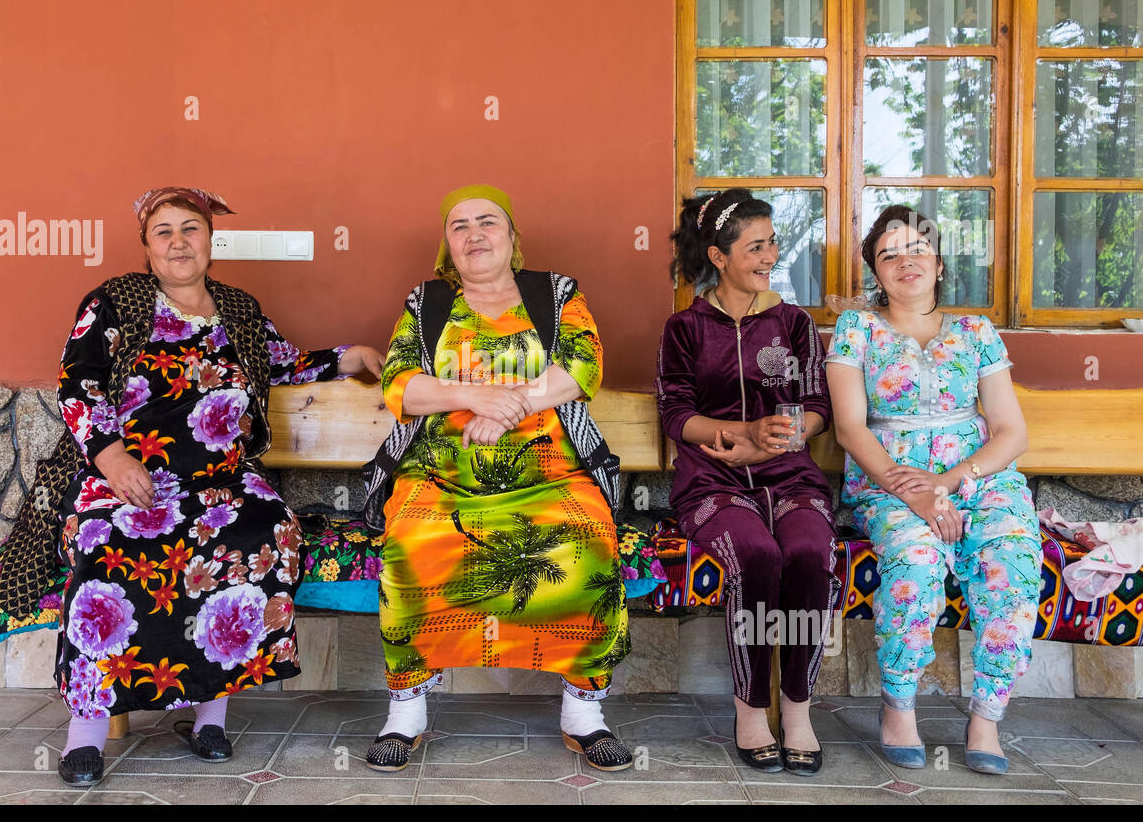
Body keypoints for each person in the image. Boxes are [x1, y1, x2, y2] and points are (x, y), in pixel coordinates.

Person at [40, 187, 381, 784]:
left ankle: (209, 720)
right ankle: (86, 730)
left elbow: (282, 363)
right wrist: (113, 458)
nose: (178, 241)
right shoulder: (115, 302)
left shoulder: (239, 309)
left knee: (263, 532)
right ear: (146, 246)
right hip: (133, 478)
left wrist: (350, 356)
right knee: (106, 551)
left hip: (223, 483)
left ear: (210, 240)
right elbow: (79, 383)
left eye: (190, 228)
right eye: (164, 231)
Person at [361, 183, 630, 772]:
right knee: (410, 544)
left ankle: (584, 712)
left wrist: (508, 407)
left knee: (588, 539)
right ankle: (406, 710)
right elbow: (401, 385)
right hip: (440, 477)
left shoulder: (555, 294)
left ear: (512, 235)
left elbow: (584, 366)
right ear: (447, 244)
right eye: (459, 226)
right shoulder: (427, 302)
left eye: (488, 222)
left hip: (551, 476)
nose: (475, 234)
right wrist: (475, 396)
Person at [825, 205, 1042, 775]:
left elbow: (1011, 431)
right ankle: (899, 707)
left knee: (1013, 562)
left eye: (916, 249)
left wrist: (948, 483)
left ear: (939, 262)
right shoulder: (857, 330)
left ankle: (986, 718)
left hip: (978, 482)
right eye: (889, 254)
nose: (905, 261)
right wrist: (917, 495)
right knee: (915, 561)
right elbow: (850, 427)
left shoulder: (975, 332)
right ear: (877, 271)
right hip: (891, 486)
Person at [657, 189, 839, 776]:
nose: (770, 255)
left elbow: (816, 404)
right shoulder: (684, 327)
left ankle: (798, 708)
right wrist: (740, 435)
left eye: (772, 243)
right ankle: (751, 709)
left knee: (810, 551)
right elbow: (675, 413)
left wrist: (785, 435)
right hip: (711, 481)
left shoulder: (794, 323)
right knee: (757, 555)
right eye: (755, 246)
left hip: (790, 475)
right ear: (718, 256)